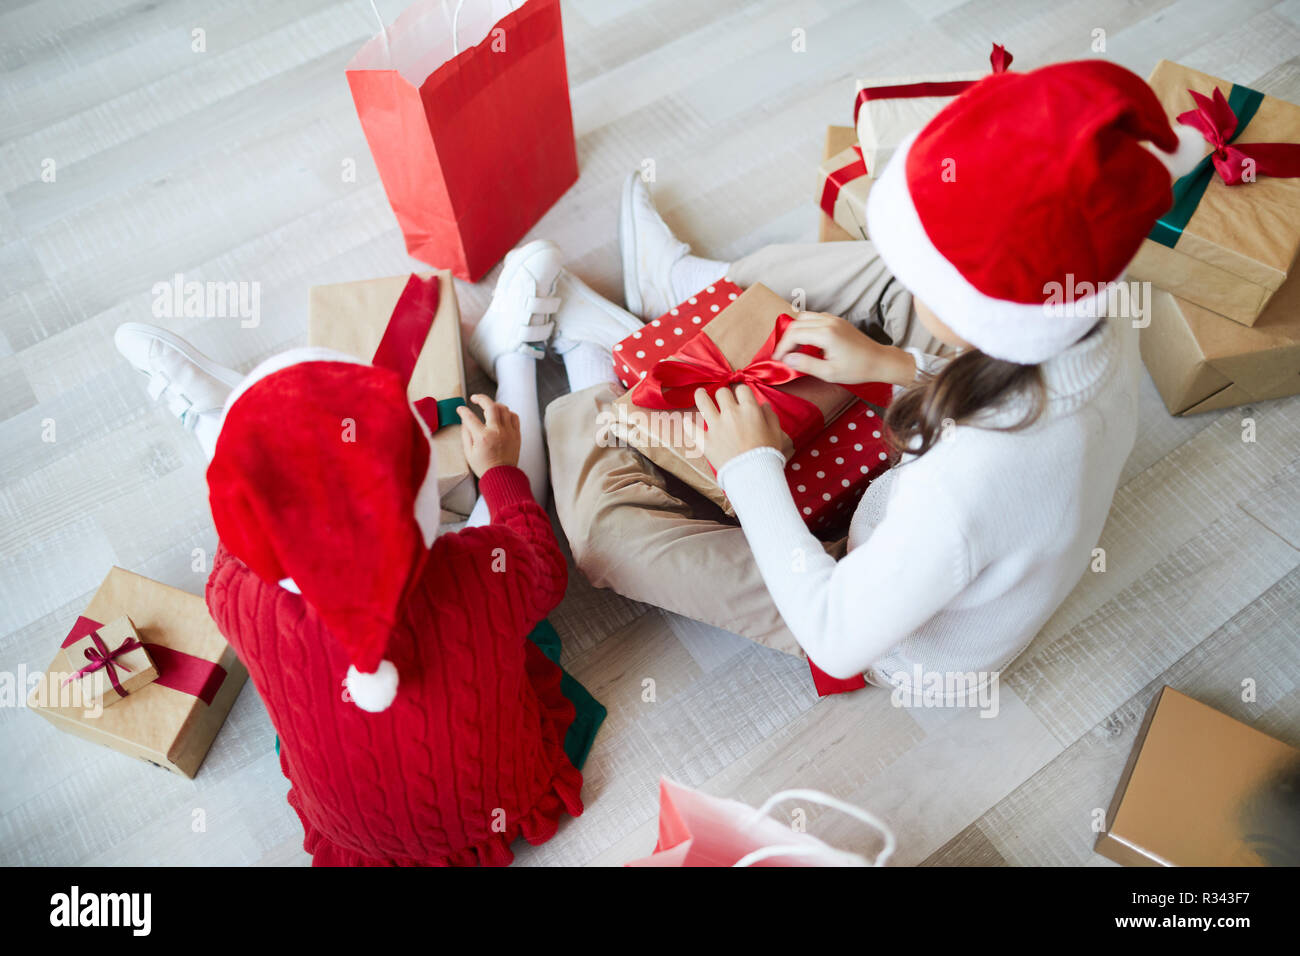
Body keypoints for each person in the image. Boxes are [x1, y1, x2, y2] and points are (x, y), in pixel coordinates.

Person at [544, 59, 1204, 694]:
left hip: (887, 629)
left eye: (931, 282)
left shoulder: (962, 495)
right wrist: (891, 366)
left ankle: (598, 374)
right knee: (886, 277)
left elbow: (834, 634)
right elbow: (998, 393)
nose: (913, 279)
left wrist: (752, 466)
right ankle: (694, 288)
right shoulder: (1097, 305)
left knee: (608, 538)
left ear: (978, 315)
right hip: (946, 500)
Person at [113, 241, 636, 865]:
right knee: (509, 512)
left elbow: (244, 525)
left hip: (362, 837)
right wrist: (495, 470)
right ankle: (515, 357)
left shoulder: (234, 596)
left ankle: (212, 416)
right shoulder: (476, 575)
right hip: (494, 792)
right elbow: (539, 560)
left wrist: (248, 451)